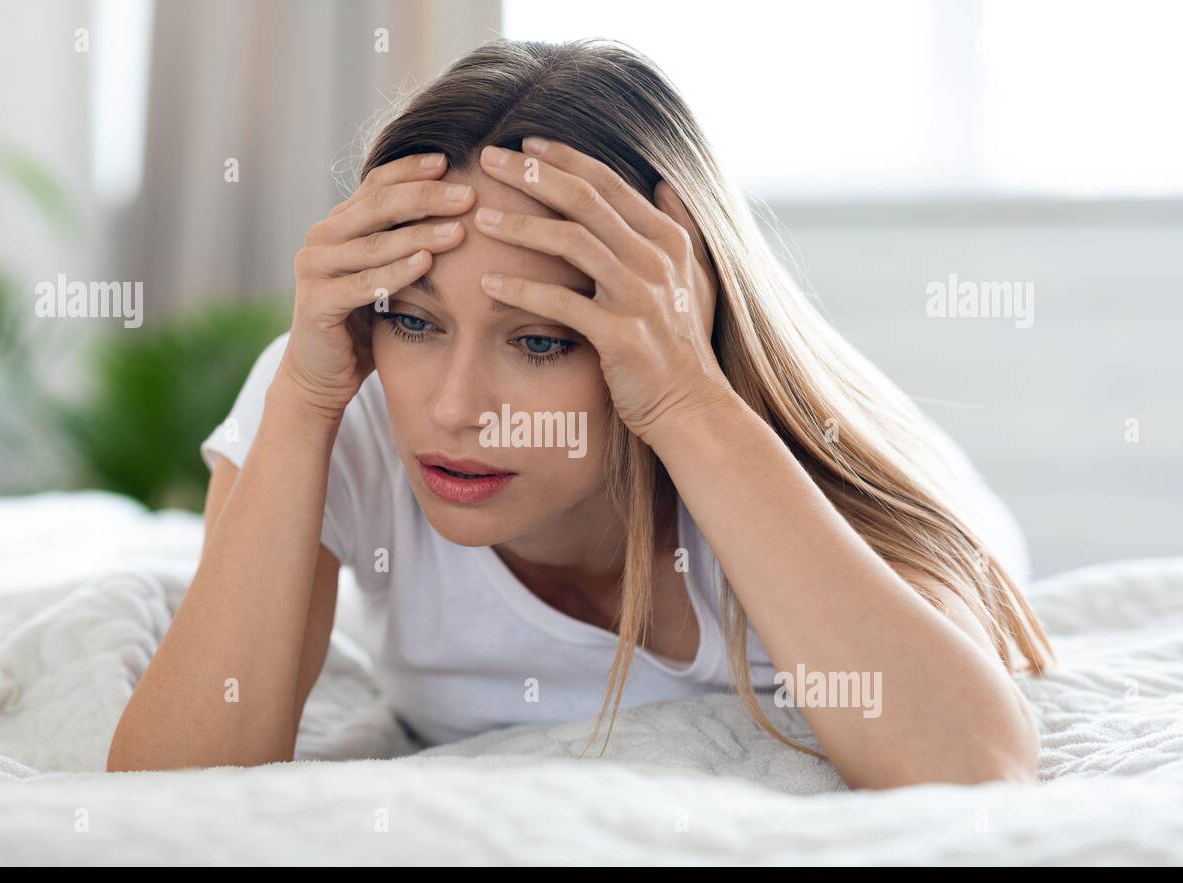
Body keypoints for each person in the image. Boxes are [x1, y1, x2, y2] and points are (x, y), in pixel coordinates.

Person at [108, 38, 1054, 788]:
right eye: (415, 321)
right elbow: (167, 787)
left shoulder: (777, 439)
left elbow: (972, 769)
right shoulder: (336, 394)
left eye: (540, 341)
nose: (453, 407)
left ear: (667, 317)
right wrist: (305, 400)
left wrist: (685, 398)